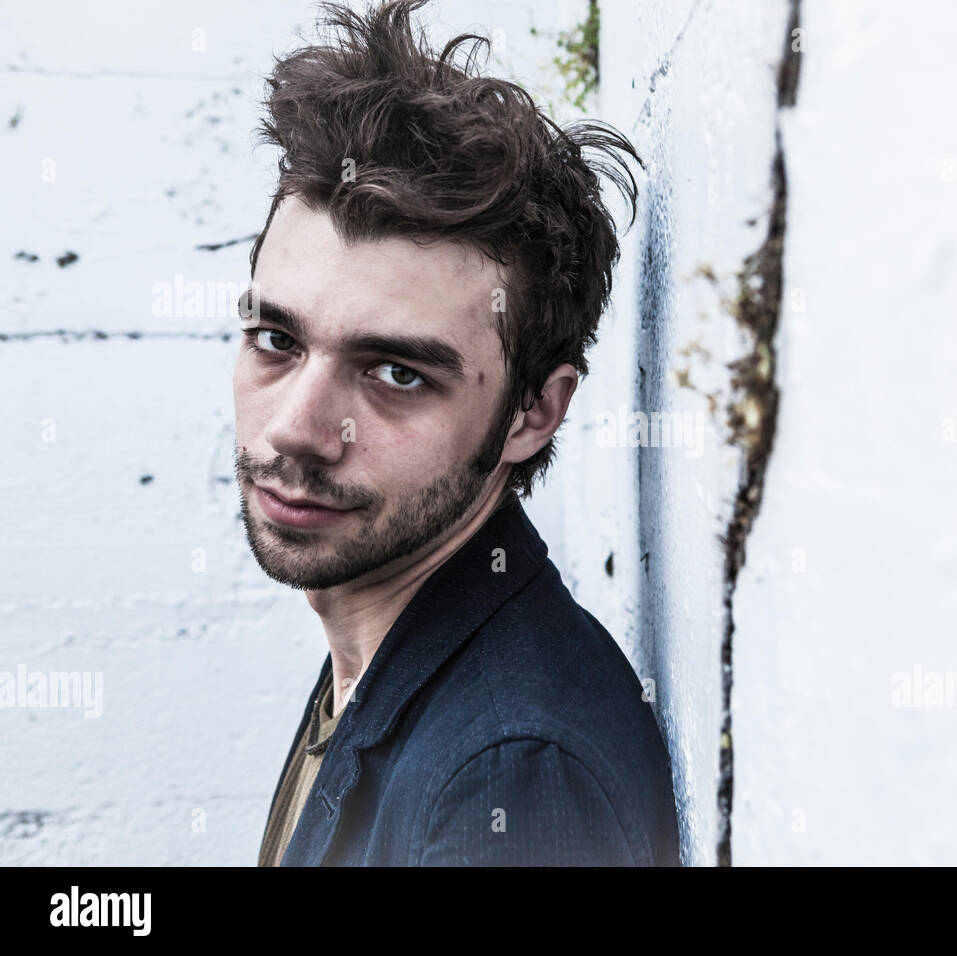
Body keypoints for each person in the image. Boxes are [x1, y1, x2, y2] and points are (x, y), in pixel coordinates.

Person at [233, 0, 680, 866]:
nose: (297, 430)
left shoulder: (512, 781)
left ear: (532, 413)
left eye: (398, 373)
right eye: (277, 341)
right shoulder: (384, 642)